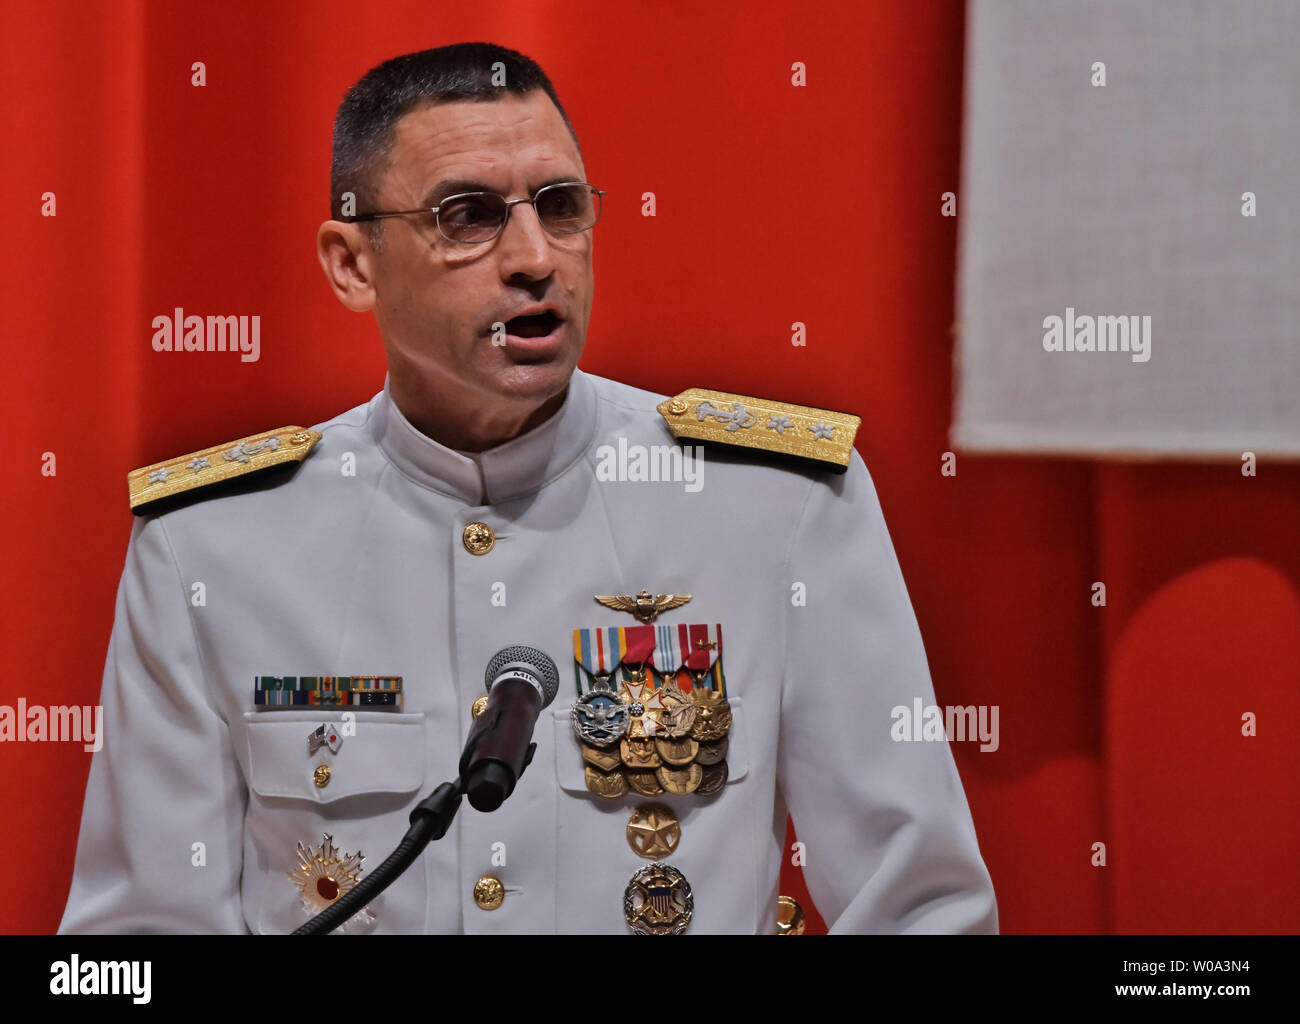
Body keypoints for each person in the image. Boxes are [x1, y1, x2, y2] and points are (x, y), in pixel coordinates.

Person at [58, 42, 997, 935]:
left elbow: (921, 908)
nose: (536, 258)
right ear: (353, 264)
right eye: (467, 216)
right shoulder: (211, 545)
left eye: (560, 206)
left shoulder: (776, 506)